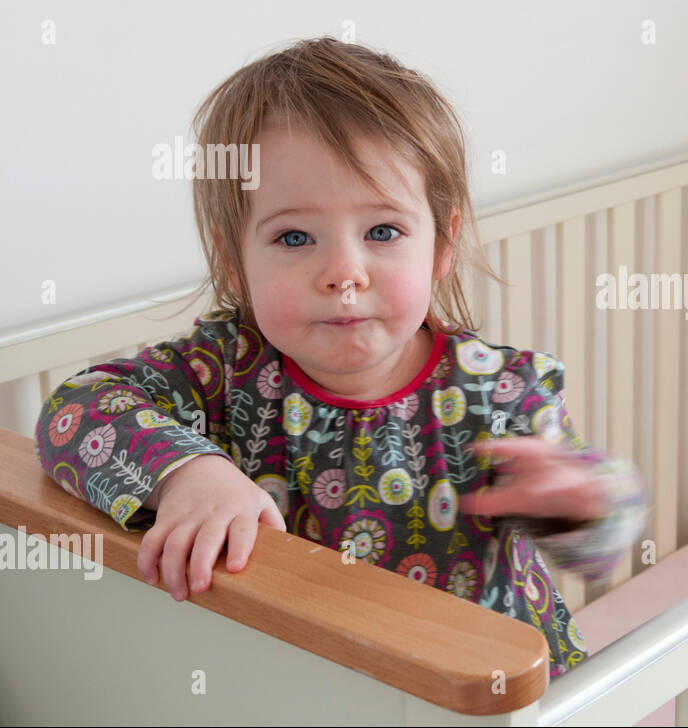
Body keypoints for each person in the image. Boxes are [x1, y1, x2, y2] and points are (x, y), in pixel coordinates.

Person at [33, 36, 649, 680]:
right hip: (304, 692)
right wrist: (188, 474)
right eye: (294, 237)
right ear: (233, 261)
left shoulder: (500, 394)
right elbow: (75, 409)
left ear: (442, 244)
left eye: (382, 231)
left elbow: (604, 534)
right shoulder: (222, 372)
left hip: (480, 702)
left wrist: (583, 503)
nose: (343, 273)